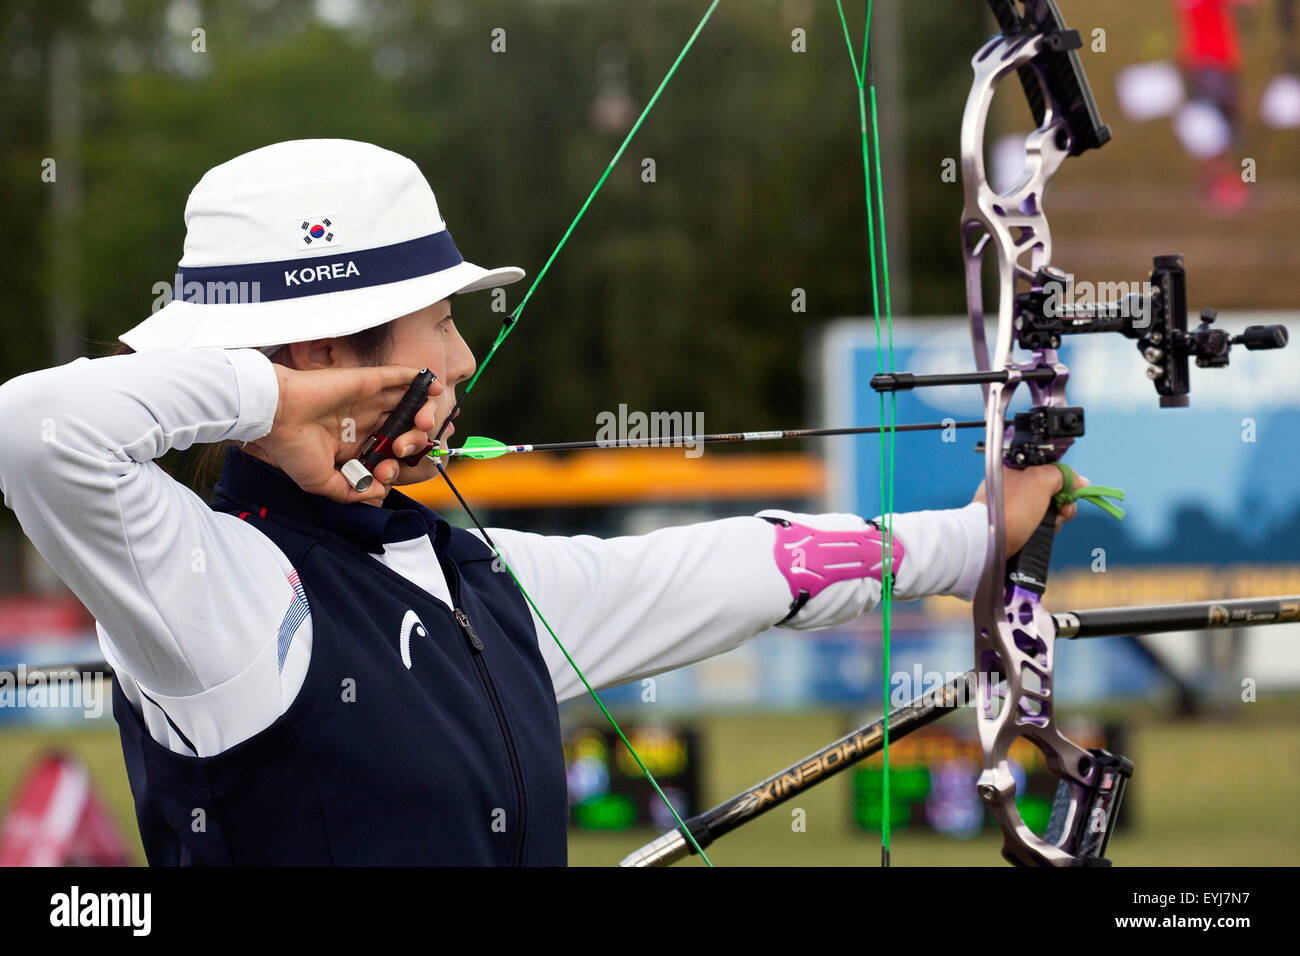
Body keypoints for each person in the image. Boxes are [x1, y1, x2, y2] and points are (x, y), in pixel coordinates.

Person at [0, 139, 1078, 865]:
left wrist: (979, 535)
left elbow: (747, 565)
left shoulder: (478, 580)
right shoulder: (212, 593)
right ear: (331, 356)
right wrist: (271, 398)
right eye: (437, 321)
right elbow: (32, 431)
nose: (464, 354)